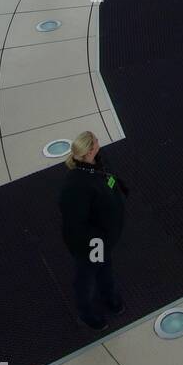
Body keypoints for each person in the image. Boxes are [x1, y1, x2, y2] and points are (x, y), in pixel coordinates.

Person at [59, 131, 128, 332]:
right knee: (87, 277)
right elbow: (75, 224)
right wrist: (97, 242)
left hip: (103, 240)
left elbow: (107, 179)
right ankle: (87, 313)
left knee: (105, 269)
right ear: (90, 150)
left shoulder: (95, 165)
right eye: (96, 141)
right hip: (91, 243)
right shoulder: (76, 186)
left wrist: (119, 187)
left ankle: (110, 298)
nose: (99, 143)